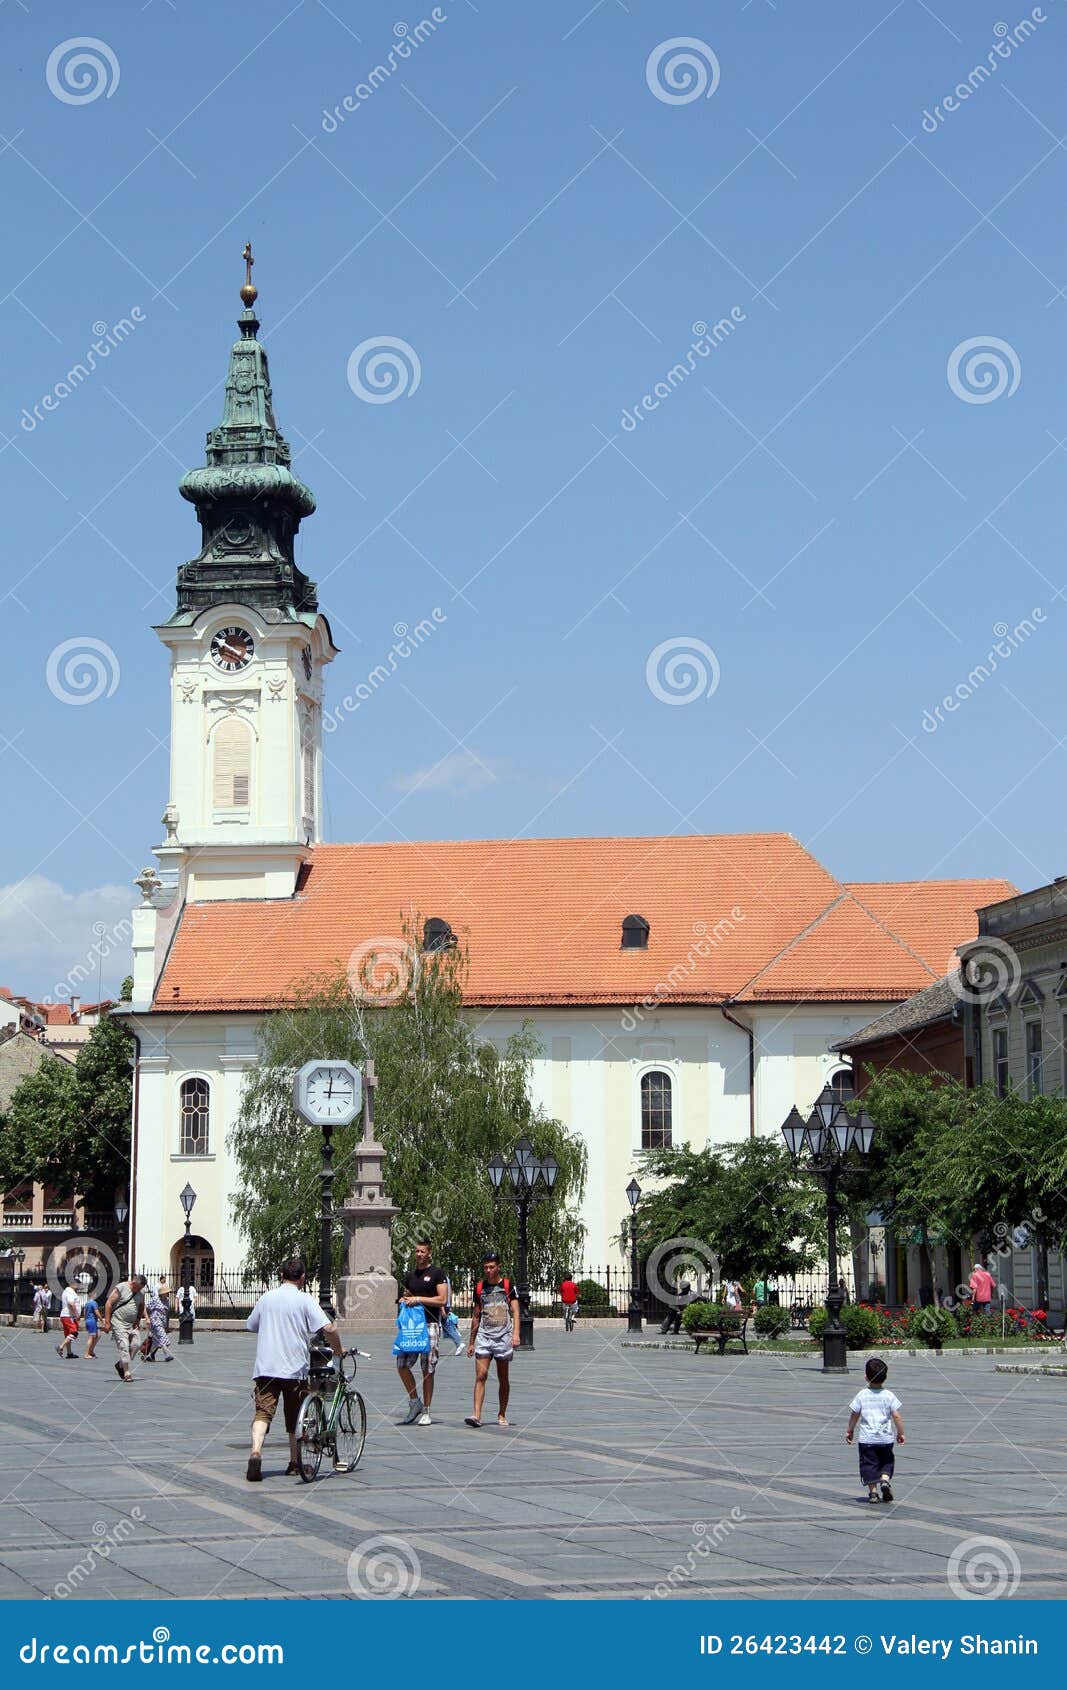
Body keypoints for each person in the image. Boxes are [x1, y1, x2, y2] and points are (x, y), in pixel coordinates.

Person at [246, 1257, 342, 1481]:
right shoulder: (304, 1300)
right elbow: (328, 1327)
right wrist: (338, 1348)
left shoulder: (266, 1298)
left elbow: (250, 1325)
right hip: (294, 1369)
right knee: (295, 1418)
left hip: (266, 1368)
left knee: (262, 1413)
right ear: (302, 1278)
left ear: (281, 1275)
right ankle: (294, 1463)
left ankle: (256, 1452)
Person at [396, 1238, 448, 1426]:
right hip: (412, 1326)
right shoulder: (410, 1276)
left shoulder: (437, 1274)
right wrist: (405, 1299)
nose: (419, 1254)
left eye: (422, 1251)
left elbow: (442, 1299)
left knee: (427, 1369)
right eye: (417, 1251)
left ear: (429, 1253)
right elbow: (407, 1294)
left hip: (430, 1324)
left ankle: (427, 1410)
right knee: (402, 1364)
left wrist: (419, 1299)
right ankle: (414, 1402)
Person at [465, 1252, 520, 1428]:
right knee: (481, 1376)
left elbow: (516, 1311)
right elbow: (476, 1315)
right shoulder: (480, 1288)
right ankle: (476, 1415)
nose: (488, 1270)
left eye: (491, 1267)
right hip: (484, 1336)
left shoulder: (507, 1285)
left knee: (503, 1378)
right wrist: (472, 1341)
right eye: (486, 1267)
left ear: (498, 1267)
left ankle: (502, 1413)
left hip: (503, 1337)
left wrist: (516, 1334)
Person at [845, 1356, 905, 1504]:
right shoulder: (889, 1395)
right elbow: (896, 1416)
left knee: (868, 1465)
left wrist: (850, 1430)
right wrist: (901, 1433)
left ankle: (872, 1493)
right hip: (885, 1439)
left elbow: (855, 1414)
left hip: (867, 1440)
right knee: (886, 1462)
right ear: (886, 1377)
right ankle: (885, 1480)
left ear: (866, 1377)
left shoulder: (862, 1395)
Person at [102, 1274, 147, 1382]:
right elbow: (108, 1303)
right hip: (118, 1322)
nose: (140, 1290)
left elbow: (141, 1306)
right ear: (133, 1283)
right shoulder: (121, 1287)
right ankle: (127, 1372)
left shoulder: (141, 1292)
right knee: (124, 1345)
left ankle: (121, 1364)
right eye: (139, 1287)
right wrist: (107, 1322)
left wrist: (138, 1320)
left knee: (136, 1344)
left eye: (141, 1288)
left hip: (131, 1323)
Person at [141, 1282, 175, 1363]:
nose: (168, 1294)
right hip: (155, 1322)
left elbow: (166, 1313)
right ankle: (167, 1355)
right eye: (166, 1293)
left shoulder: (167, 1301)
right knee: (162, 1337)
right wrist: (147, 1318)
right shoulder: (155, 1299)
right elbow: (146, 1307)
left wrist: (166, 1325)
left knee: (157, 1340)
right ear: (162, 1294)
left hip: (162, 1323)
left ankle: (149, 1355)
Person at [56, 1283, 80, 1360]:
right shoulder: (70, 1292)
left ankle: (69, 1353)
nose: (78, 1285)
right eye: (76, 1283)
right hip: (69, 1316)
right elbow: (71, 1303)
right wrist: (76, 1314)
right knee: (74, 1333)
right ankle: (61, 1347)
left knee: (68, 1335)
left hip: (66, 1316)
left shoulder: (67, 1291)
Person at [83, 1293, 101, 1359]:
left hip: (88, 1320)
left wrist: (85, 1320)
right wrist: (101, 1319)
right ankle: (86, 1354)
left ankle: (91, 1351)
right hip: (92, 1321)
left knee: (98, 1334)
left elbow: (84, 1312)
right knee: (91, 1337)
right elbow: (96, 1311)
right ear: (93, 1295)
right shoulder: (94, 1303)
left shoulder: (86, 1303)